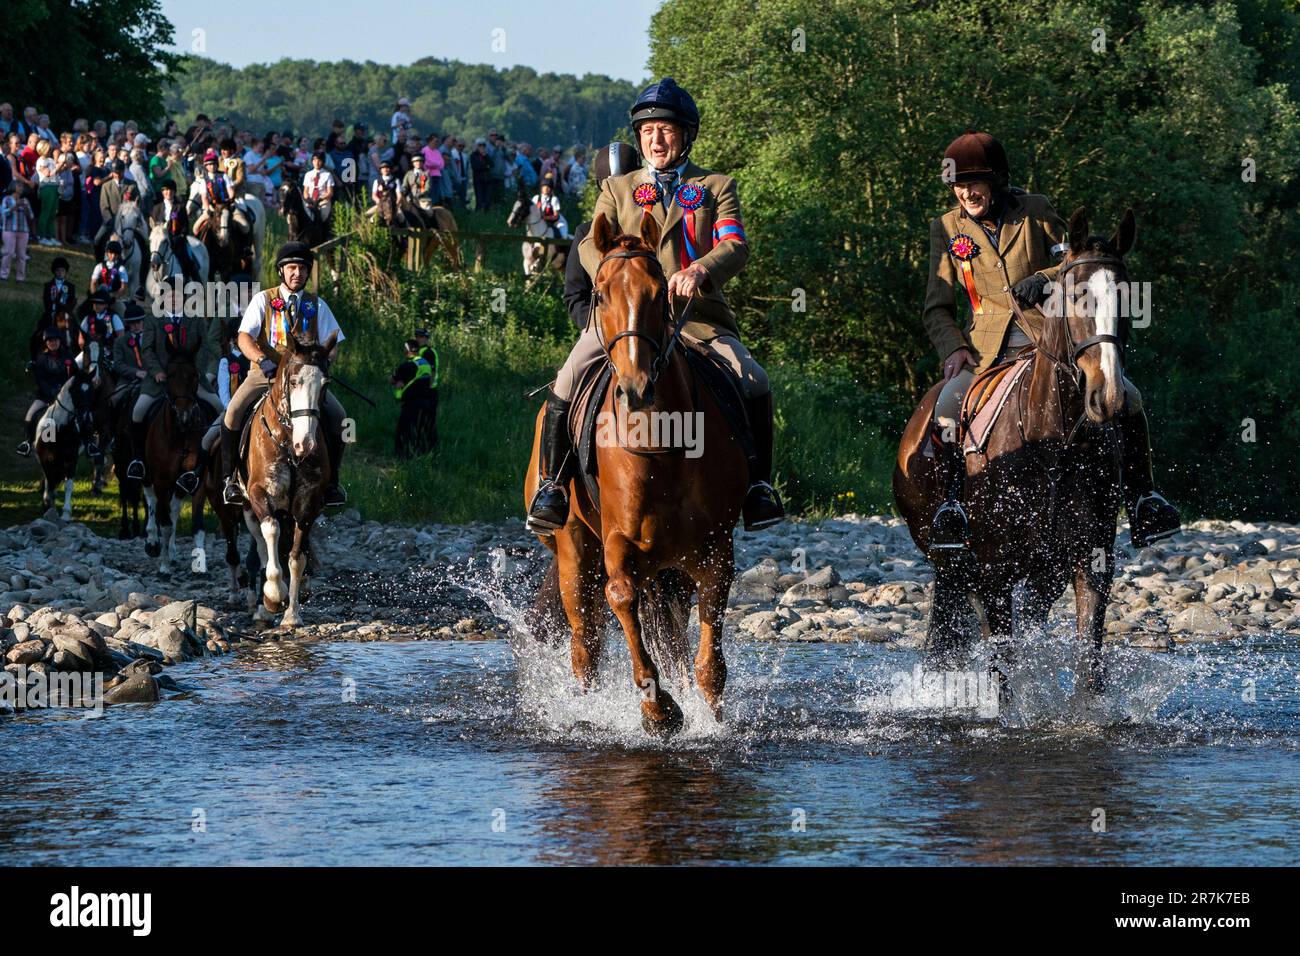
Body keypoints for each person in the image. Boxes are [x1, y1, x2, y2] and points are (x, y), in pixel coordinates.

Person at [529, 78, 784, 534]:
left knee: (754, 378)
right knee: (568, 378)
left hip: (697, 320)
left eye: (665, 130)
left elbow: (735, 245)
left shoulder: (715, 186)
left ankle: (758, 488)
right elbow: (590, 243)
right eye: (647, 132)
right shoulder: (617, 187)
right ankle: (553, 486)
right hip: (627, 321)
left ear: (686, 135)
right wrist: (613, 270)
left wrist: (700, 270)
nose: (656, 140)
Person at [922, 129, 1181, 549]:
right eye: (958, 185)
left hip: (1050, 338)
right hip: (985, 351)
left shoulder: (1036, 210)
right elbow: (936, 306)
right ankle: (952, 506)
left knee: (1127, 397)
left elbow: (1073, 261)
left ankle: (1142, 498)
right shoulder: (946, 228)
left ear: (996, 181)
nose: (966, 193)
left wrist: (1039, 280)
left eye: (975, 184)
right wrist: (953, 348)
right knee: (949, 405)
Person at [219, 242, 348, 508]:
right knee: (232, 413)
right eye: (291, 268)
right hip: (265, 375)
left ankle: (332, 482)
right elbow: (244, 337)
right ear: (281, 271)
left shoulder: (317, 305)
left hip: (303, 381)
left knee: (341, 419)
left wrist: (321, 361)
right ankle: (230, 479)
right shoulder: (263, 300)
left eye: (302, 268)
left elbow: (332, 345)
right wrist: (261, 359)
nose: (297, 273)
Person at [125, 282, 216, 491]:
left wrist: (196, 372)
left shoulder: (195, 319)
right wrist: (157, 371)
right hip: (160, 380)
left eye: (177, 295)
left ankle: (211, 465)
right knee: (138, 412)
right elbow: (146, 349)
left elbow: (205, 349)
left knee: (220, 408)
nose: (173, 299)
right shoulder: (153, 319)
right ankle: (138, 460)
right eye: (169, 296)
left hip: (190, 382)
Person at [563, 143, 638, 331]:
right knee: (576, 363)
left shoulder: (649, 229)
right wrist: (603, 326)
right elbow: (575, 295)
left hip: (654, 327)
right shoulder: (584, 233)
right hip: (603, 328)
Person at [16, 328, 72, 456]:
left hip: (65, 396)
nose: (53, 343)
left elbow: (74, 374)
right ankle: (28, 442)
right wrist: (51, 392)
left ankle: (88, 442)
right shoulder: (41, 359)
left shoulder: (67, 356)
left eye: (55, 340)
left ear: (59, 341)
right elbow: (40, 380)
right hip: (46, 396)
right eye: (50, 341)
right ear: (46, 343)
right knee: (31, 414)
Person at [390, 337, 438, 458]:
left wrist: (397, 382)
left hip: (411, 403)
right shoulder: (425, 363)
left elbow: (393, 380)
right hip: (428, 401)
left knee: (404, 431)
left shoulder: (407, 365)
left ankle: (402, 456)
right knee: (424, 430)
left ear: (407, 350)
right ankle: (426, 454)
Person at [0, 182, 34, 282]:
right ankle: (3, 275)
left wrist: (26, 208)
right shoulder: (6, 199)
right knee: (8, 253)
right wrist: (15, 207)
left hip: (23, 230)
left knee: (21, 255)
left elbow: (31, 216)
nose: (21, 188)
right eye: (19, 186)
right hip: (9, 229)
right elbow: (3, 214)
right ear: (13, 187)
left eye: (22, 186)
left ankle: (20, 278)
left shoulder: (25, 201)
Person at [302, 150, 335, 227]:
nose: (317, 163)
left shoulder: (327, 175)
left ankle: (323, 230)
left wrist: (319, 199)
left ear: (323, 161)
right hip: (310, 200)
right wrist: (308, 200)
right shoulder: (308, 174)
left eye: (319, 160)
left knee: (322, 216)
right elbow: (305, 191)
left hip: (322, 201)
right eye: (314, 160)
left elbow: (330, 192)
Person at [531, 173, 570, 238]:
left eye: (548, 187)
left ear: (551, 189)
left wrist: (544, 217)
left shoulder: (554, 199)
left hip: (557, 223)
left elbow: (555, 216)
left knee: (563, 236)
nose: (546, 188)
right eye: (544, 186)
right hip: (543, 223)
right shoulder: (536, 198)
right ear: (541, 188)